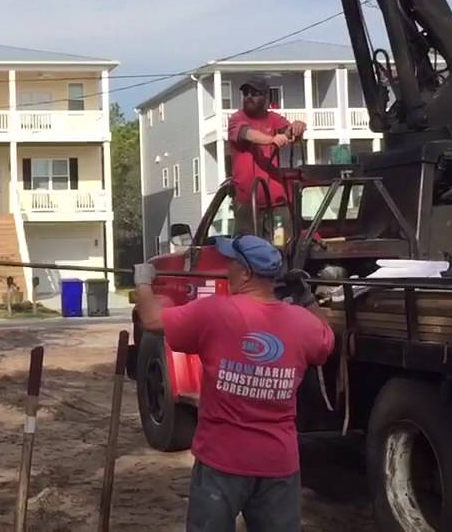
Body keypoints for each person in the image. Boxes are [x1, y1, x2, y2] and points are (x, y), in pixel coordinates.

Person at [133, 235, 334, 532]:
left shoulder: (215, 312)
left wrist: (144, 281)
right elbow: (326, 336)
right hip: (277, 462)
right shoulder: (302, 324)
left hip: (221, 461)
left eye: (233, 263)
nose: (228, 268)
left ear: (247, 273)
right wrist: (305, 299)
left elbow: (151, 320)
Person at [228, 76, 306, 236]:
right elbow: (247, 134)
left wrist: (297, 128)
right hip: (247, 205)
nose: (249, 96)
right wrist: (271, 139)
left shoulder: (274, 119)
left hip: (276, 204)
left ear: (265, 97)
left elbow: (288, 131)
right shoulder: (237, 119)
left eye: (254, 93)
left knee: (283, 248)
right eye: (246, 93)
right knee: (248, 251)